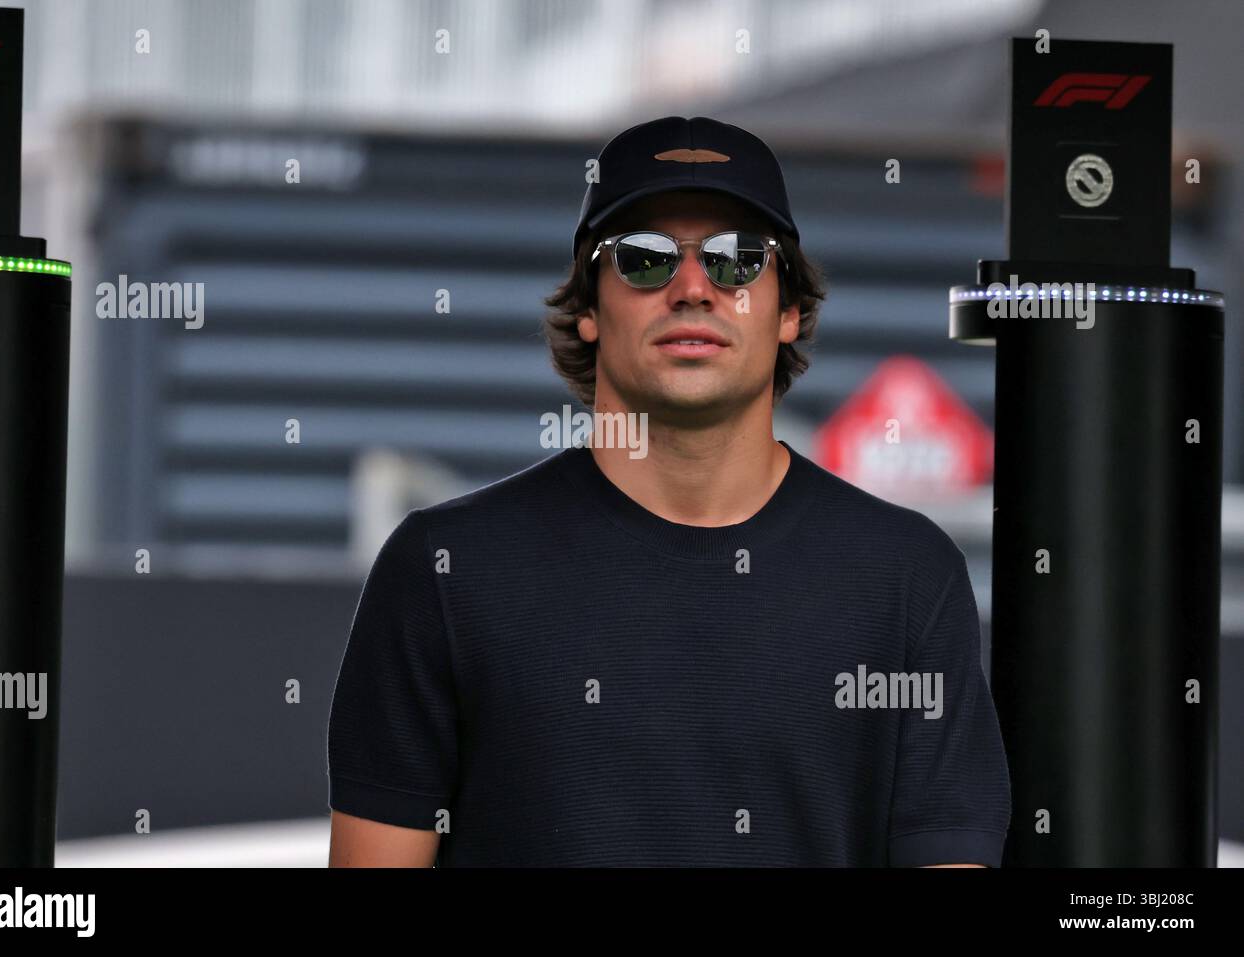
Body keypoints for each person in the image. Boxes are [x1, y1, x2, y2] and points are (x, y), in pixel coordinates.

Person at [327, 116, 1010, 867]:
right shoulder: (443, 571)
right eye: (645, 259)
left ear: (789, 310)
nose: (693, 287)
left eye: (739, 259)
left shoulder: (907, 578)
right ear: (589, 307)